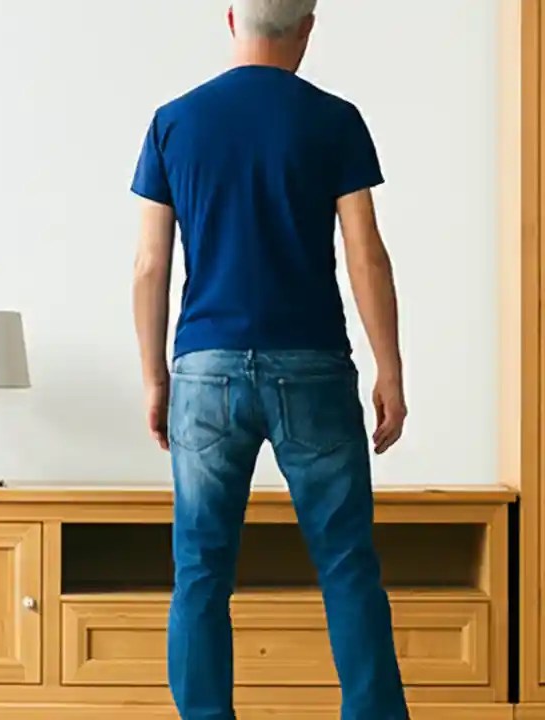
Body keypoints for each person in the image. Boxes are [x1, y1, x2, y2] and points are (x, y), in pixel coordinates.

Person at [130, 1, 409, 718]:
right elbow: (365, 253)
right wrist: (391, 371)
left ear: (231, 20)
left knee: (200, 572)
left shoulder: (174, 122)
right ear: (308, 27)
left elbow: (148, 267)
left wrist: (156, 377)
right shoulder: (335, 119)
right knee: (347, 567)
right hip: (312, 366)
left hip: (205, 371)